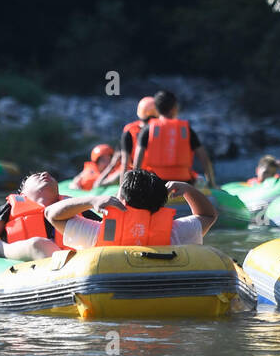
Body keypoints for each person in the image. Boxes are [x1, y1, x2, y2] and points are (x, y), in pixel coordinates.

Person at [46, 169, 219, 248]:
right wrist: (188, 189)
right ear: (162, 203)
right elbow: (208, 216)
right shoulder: (176, 232)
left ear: (120, 199)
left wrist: (92, 200)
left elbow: (51, 214)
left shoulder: (98, 234)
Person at [0, 171, 71, 261]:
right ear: (23, 193)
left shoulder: (76, 209)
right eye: (36, 176)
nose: (45, 174)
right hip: (28, 261)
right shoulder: (9, 210)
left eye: (49, 175)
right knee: (38, 245)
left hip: (74, 264)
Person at [132, 89, 218, 188]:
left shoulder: (147, 130)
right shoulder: (185, 130)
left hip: (155, 184)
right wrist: (212, 184)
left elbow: (137, 163)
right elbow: (205, 159)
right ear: (174, 108)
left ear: (156, 109)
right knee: (200, 180)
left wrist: (136, 186)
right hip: (184, 183)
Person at [97, 96, 160, 186]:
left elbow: (125, 164)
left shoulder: (130, 130)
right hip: (158, 176)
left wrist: (123, 190)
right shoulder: (162, 129)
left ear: (140, 113)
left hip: (136, 175)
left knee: (106, 182)